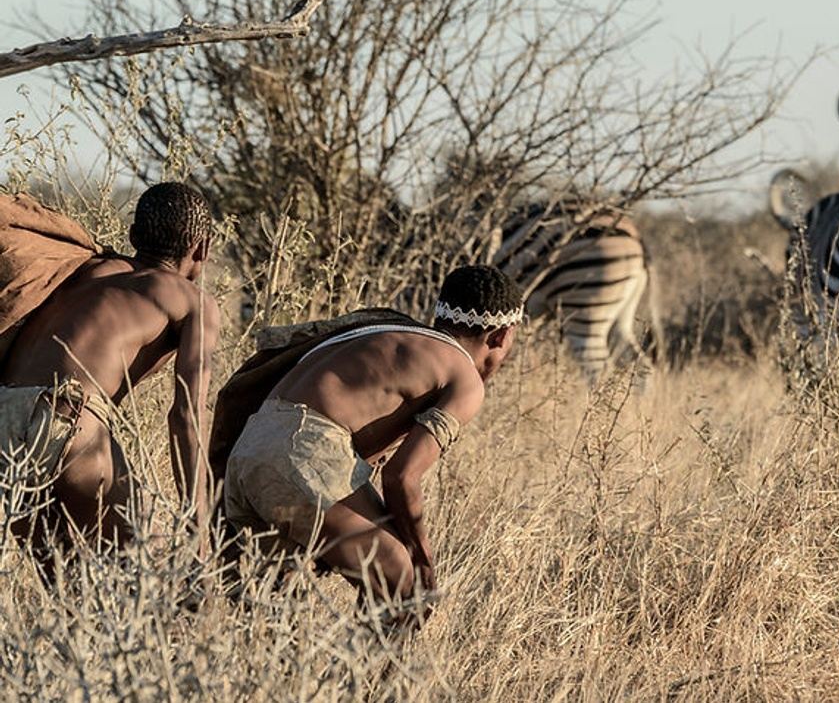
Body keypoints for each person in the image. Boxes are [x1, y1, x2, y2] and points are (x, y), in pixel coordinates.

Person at [222, 264, 522, 615]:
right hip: (303, 450)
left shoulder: (389, 334)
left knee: (267, 609)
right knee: (405, 591)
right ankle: (360, 672)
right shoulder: (465, 377)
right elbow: (400, 477)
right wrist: (422, 560)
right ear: (501, 336)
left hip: (248, 449)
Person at [0, 183, 219, 566]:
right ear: (202, 248)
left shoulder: (89, 270)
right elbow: (187, 417)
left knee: (69, 590)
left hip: (5, 419)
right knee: (153, 582)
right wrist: (198, 529)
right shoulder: (191, 299)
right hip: (68, 418)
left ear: (133, 236)